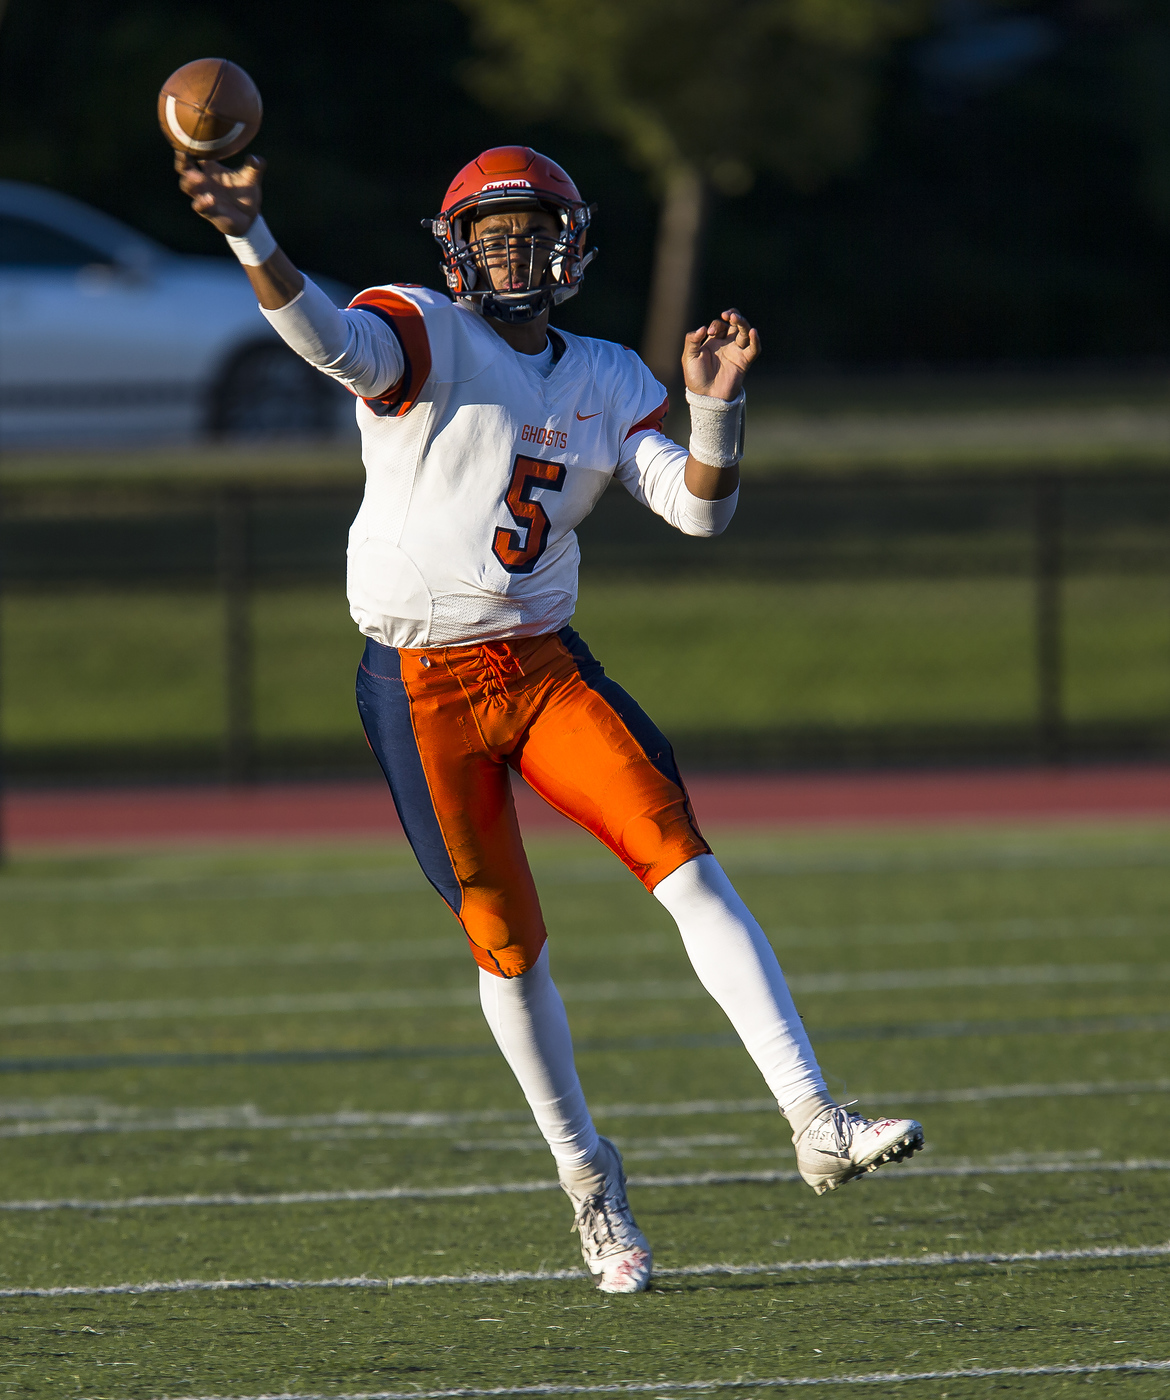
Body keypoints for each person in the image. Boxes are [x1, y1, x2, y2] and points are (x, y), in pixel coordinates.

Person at [175, 144, 924, 1294]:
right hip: (418, 685)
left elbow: (697, 512)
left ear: (569, 245)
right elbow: (326, 337)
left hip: (540, 668)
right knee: (507, 942)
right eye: (491, 232)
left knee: (685, 861)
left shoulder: (612, 376)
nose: (511, 250)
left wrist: (717, 413)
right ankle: (588, 1178)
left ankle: (815, 1114)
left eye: (530, 230)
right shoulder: (421, 327)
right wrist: (250, 236)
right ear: (455, 249)